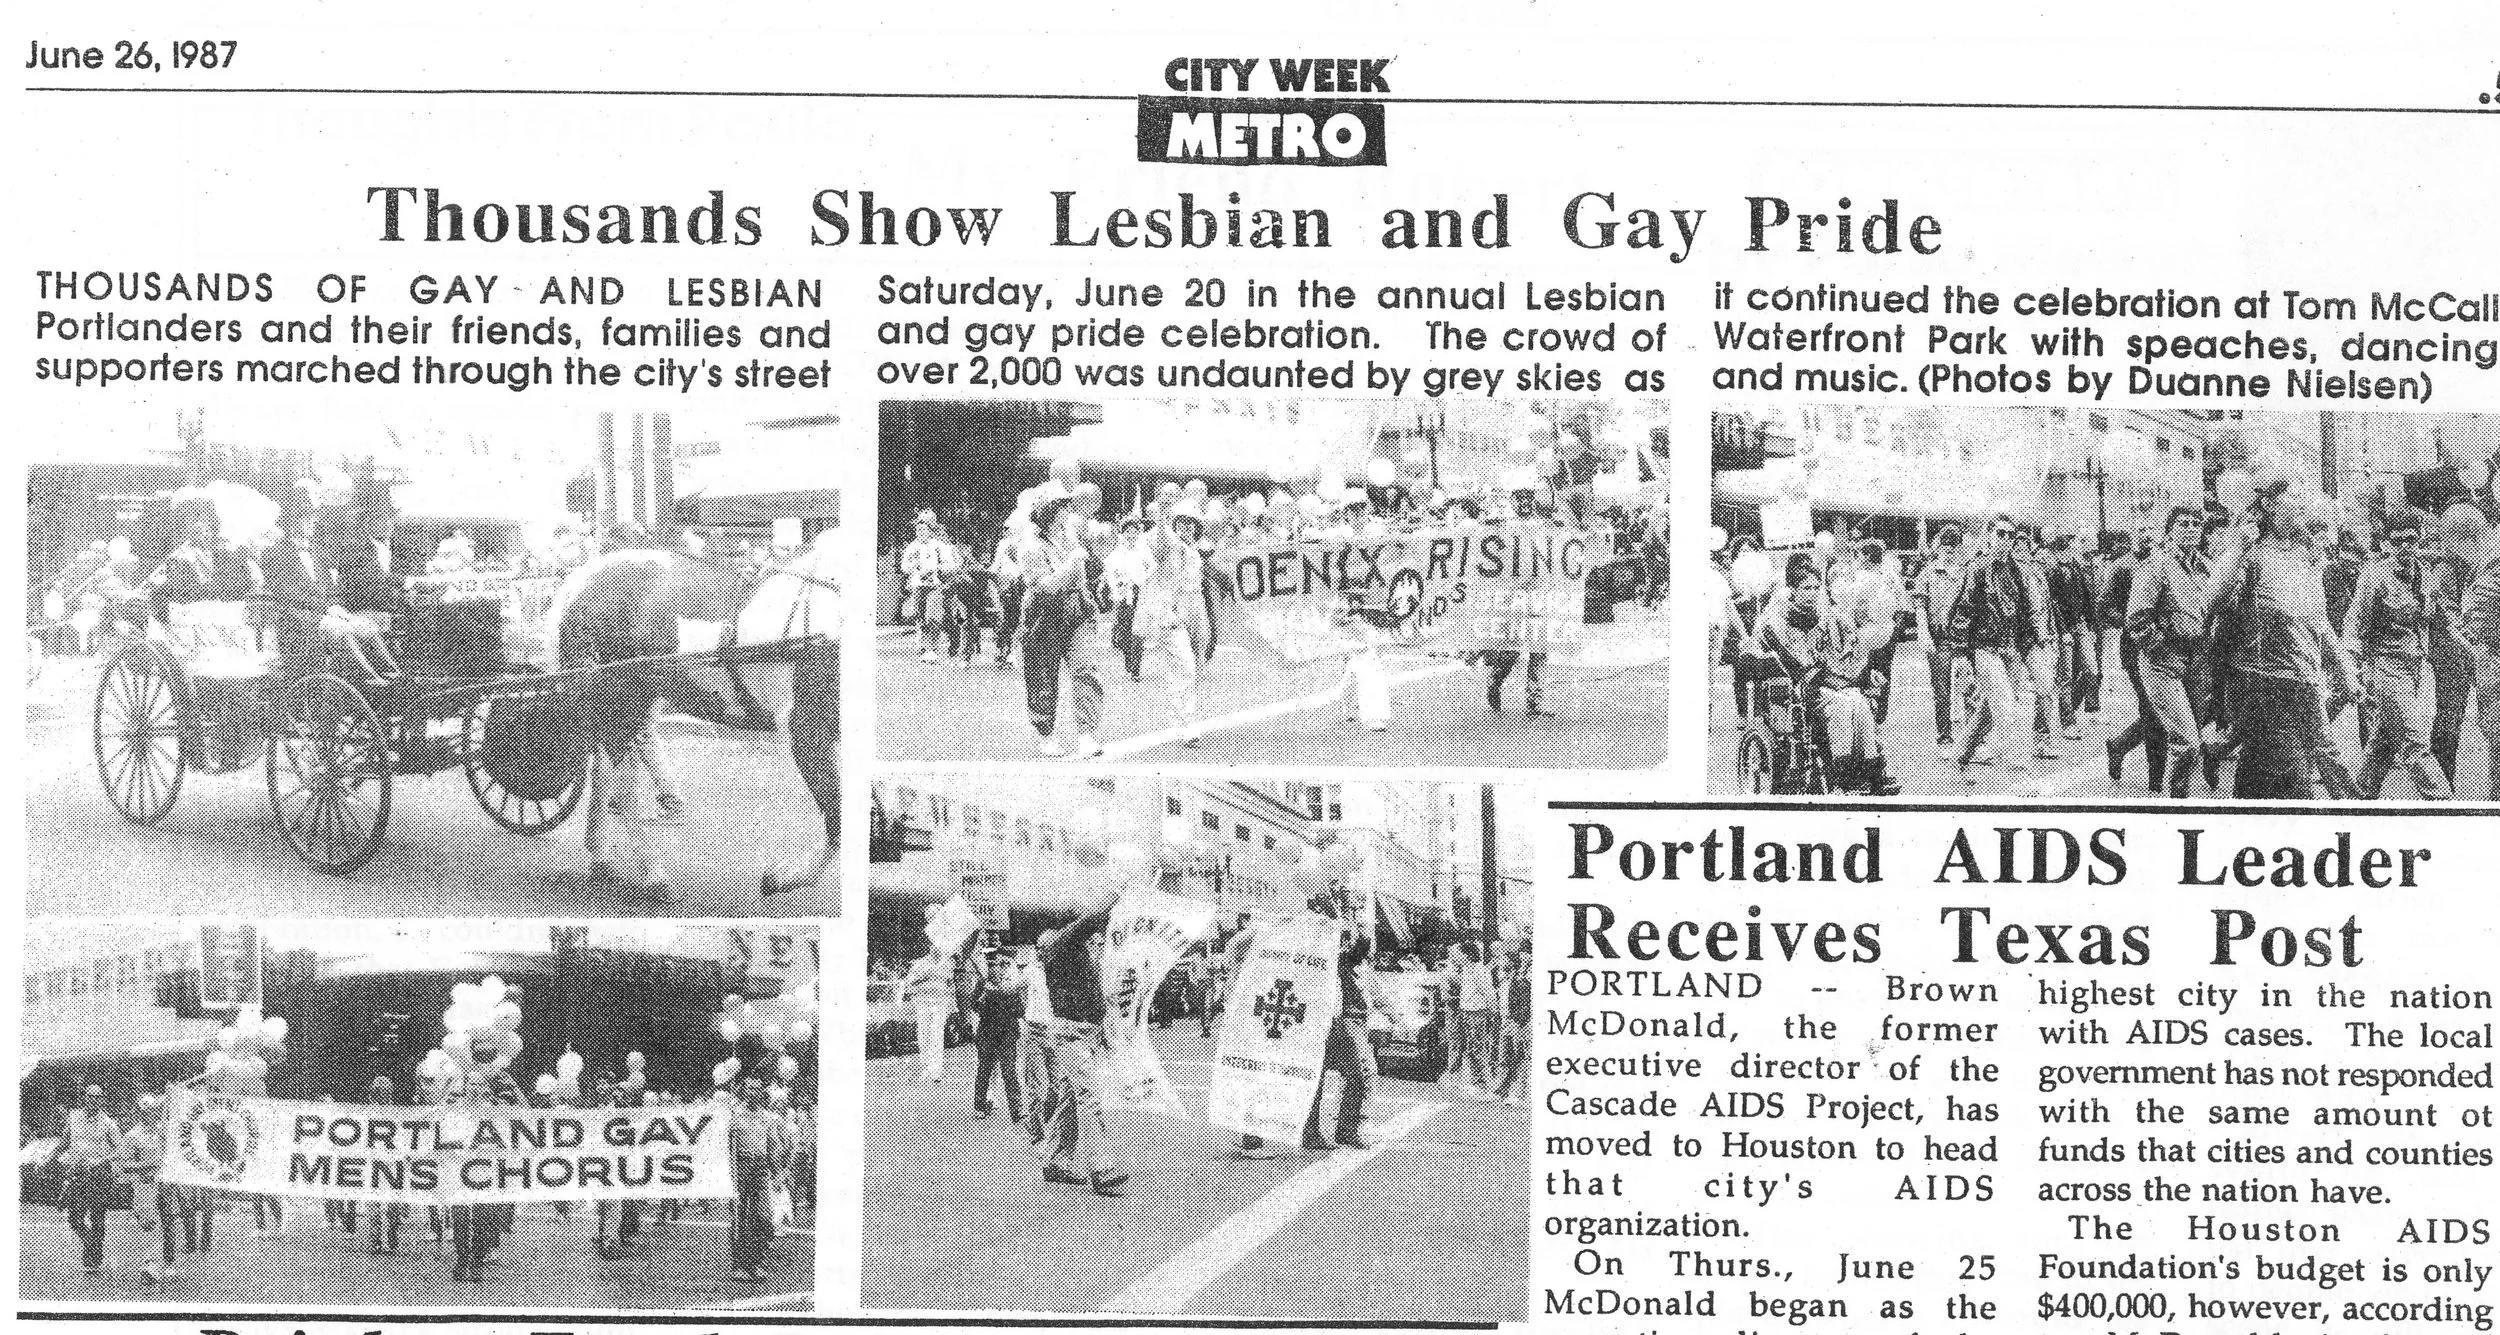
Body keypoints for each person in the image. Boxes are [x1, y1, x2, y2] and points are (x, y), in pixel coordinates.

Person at [2203, 485, 2357, 800]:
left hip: (2304, 682)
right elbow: (2212, 600)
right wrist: (2238, 547)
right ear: (2271, 506)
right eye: (2293, 499)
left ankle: (2220, 754)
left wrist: (2345, 670)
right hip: (2264, 684)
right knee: (2297, 780)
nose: (2302, 503)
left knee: (2264, 776)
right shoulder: (2253, 554)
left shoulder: (2308, 556)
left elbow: (2319, 621)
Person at [1759, 555, 1900, 795]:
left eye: (1816, 587)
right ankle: (1840, 775)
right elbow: (1799, 662)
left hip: (1829, 681)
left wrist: (1860, 673)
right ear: (1792, 589)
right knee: (1843, 702)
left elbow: (1845, 651)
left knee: (1858, 699)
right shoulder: (1778, 619)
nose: (1812, 593)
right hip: (1803, 687)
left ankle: (1870, 769)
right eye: (1806, 588)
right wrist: (1826, 672)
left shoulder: (1826, 615)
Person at [2346, 507, 2450, 799]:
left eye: (2411, 539)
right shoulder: (2376, 577)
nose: (2406, 546)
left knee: (2384, 739)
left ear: (2419, 540)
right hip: (2386, 666)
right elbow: (2357, 624)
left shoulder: (2427, 576)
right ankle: (2443, 804)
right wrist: (2359, 669)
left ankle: (2360, 799)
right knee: (2413, 740)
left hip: (2415, 667)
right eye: (2398, 540)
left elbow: (2434, 618)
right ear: (2388, 543)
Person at [2120, 506, 2213, 799]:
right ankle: (2175, 808)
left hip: (2197, 660)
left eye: (2196, 524)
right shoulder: (2156, 566)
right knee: (2186, 741)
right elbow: (2136, 618)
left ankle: (2179, 798)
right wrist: (2159, 649)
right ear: (2170, 530)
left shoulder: (2206, 567)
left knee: (2194, 738)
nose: (2190, 529)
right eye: (2183, 524)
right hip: (2164, 663)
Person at [1035, 896, 1126, 1196]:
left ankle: (1055, 1160)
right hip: (1072, 1034)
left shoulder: (1072, 953)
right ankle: (1101, 1167)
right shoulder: (1061, 944)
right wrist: (1122, 891)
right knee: (1088, 1097)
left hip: (1082, 1032)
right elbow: (1090, 920)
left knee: (1071, 1100)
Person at [1943, 515, 2043, 784]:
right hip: (1984, 648)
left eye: (2011, 535)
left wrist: (2029, 647)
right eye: (2001, 534)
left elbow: (2022, 614)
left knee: (2003, 705)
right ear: (1989, 535)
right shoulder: (1976, 569)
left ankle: (1961, 754)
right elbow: (1963, 612)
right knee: (2007, 709)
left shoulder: (2016, 572)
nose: (2006, 540)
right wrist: (1961, 654)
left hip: (2009, 650)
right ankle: (2020, 771)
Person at [262, 507, 401, 684]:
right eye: (307, 519)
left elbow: (332, 588)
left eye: (312, 519)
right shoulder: (274, 554)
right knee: (342, 631)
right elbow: (287, 594)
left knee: (366, 626)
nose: (312, 523)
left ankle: (394, 676)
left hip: (325, 615)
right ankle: (371, 679)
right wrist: (327, 608)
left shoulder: (316, 552)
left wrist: (336, 606)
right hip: (298, 619)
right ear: (292, 521)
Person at [1021, 484, 1109, 759]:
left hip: (1075, 611)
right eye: (1061, 506)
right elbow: (1046, 588)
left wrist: (1089, 605)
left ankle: (1086, 734)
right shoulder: (1032, 547)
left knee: (1086, 669)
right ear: (1048, 511)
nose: (1066, 511)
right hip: (1043, 615)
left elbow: (1080, 578)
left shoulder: (1071, 537)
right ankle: (1046, 733)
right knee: (1043, 675)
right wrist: (1072, 563)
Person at [1300, 895, 1376, 1153]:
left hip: (1336, 1024)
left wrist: (1351, 916)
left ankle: (1344, 1130)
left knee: (1356, 1076)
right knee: (1313, 1081)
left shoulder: (1340, 957)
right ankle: (1310, 1133)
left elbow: (1362, 945)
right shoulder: (1305, 955)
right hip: (1314, 1023)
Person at [1138, 500, 1213, 746]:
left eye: (1191, 524)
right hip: (1170, 612)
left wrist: (1206, 620)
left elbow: (1201, 586)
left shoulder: (1194, 551)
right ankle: (1186, 723)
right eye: (1181, 523)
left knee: (1194, 668)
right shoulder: (1167, 545)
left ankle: (1178, 718)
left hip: (1194, 609)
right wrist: (1161, 519)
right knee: (1184, 665)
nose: (1186, 528)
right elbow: (1161, 545)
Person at [59, 1085, 125, 1276]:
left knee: (97, 1217)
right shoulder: (74, 1118)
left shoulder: (108, 1123)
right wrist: (49, 1158)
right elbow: (64, 1142)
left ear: (102, 1100)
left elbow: (120, 1149)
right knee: (74, 1218)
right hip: (78, 1173)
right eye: (90, 1097)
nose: (93, 1101)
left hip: (99, 1175)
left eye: (97, 1098)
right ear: (84, 1098)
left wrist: (100, 1160)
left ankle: (93, 1258)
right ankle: (91, 1243)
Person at [726, 1076, 787, 1282]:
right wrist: (731, 1176)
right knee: (740, 1217)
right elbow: (729, 1147)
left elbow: (773, 1148)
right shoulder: (734, 1116)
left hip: (760, 1168)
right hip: (741, 1166)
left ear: (761, 1092)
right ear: (744, 1090)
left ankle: (756, 1262)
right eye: (750, 1088)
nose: (753, 1092)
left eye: (757, 1088)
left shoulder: (767, 1117)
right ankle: (740, 1265)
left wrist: (778, 1174)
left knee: (763, 1217)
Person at [1914, 525, 1969, 752]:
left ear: (1958, 549)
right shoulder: (1928, 572)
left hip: (1964, 637)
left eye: (1953, 547)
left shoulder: (1966, 573)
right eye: (1945, 546)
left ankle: (1974, 739)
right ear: (1938, 547)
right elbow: (1920, 606)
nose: (1948, 551)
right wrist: (1923, 631)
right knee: (1942, 689)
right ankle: (1944, 737)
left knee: (1970, 686)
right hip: (1939, 637)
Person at [969, 952, 1025, 1121]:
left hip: (1007, 1034)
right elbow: (974, 1006)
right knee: (984, 1070)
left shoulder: (1010, 985)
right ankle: (980, 1106)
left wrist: (1000, 995)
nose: (995, 969)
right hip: (987, 1033)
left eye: (999, 966)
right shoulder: (982, 984)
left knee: (1009, 1072)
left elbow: (1020, 1010)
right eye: (991, 966)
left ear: (1004, 969)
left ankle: (1016, 1111)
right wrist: (985, 999)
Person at [899, 511, 959, 664]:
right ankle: (924, 647)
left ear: (931, 531)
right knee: (920, 617)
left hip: (935, 585)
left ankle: (932, 648)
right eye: (918, 530)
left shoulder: (939, 547)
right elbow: (904, 566)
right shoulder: (912, 547)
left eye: (924, 530)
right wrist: (913, 566)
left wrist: (936, 568)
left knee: (932, 616)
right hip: (918, 586)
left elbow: (950, 565)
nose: (921, 533)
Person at [362, 1076, 407, 1255]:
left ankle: (384, 1236)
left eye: (386, 1091)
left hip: (388, 1162)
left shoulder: (395, 1112)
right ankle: (379, 1239)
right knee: (377, 1203)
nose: (384, 1094)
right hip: (377, 1162)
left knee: (387, 1203)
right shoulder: (369, 1113)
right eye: (381, 1092)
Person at [903, 943, 957, 1084]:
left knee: (937, 1035)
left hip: (940, 1004)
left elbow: (950, 984)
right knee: (924, 1034)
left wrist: (951, 1003)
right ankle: (926, 1068)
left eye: (940, 947)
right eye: (934, 946)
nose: (937, 949)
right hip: (923, 1003)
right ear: (929, 947)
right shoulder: (920, 964)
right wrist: (924, 974)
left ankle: (936, 1071)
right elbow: (909, 982)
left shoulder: (947, 964)